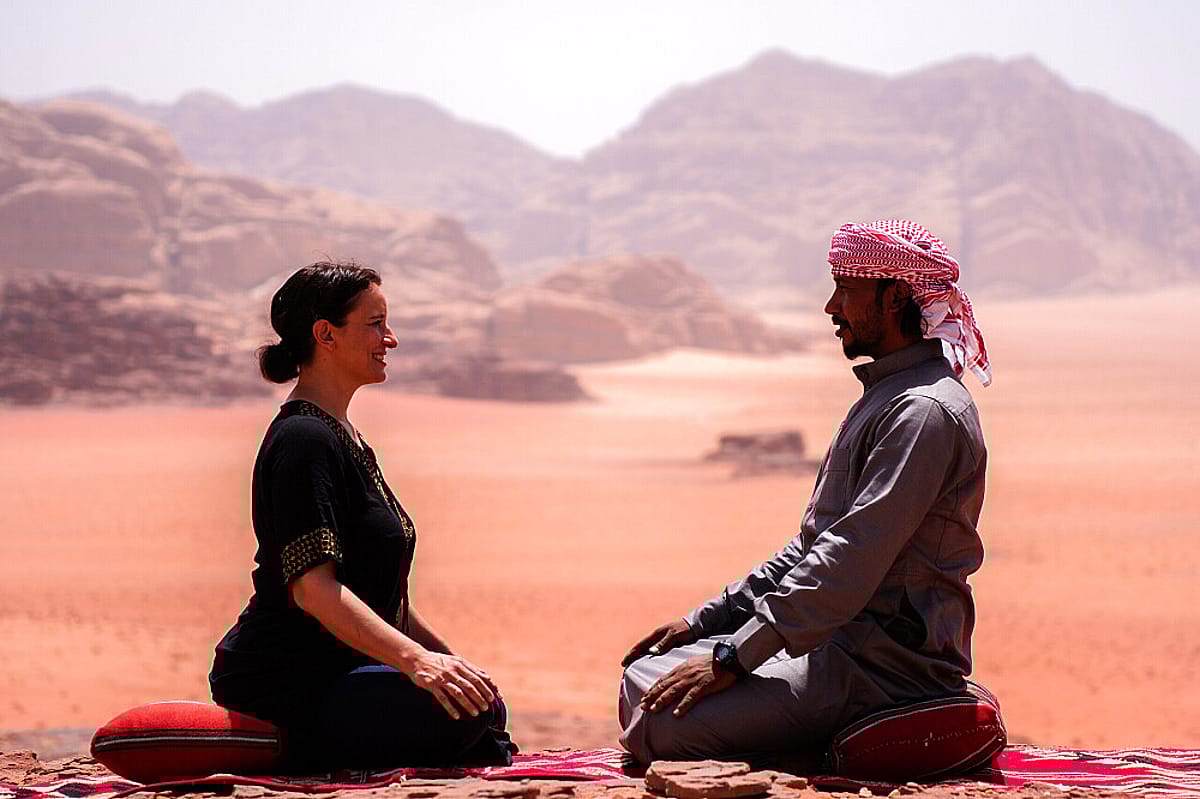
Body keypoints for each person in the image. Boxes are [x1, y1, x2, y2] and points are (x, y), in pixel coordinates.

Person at [618, 220, 993, 764]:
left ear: (894, 297)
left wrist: (733, 657)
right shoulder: (885, 397)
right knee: (644, 676)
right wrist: (706, 622)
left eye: (846, 289)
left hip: (885, 665)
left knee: (661, 723)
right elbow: (812, 547)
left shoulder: (923, 412)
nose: (831, 307)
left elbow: (849, 557)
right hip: (832, 641)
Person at [210, 261, 514, 771]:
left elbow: (383, 597)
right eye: (375, 324)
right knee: (458, 715)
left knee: (481, 704)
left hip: (348, 668)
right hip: (289, 677)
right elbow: (313, 590)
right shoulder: (304, 440)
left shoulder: (343, 435)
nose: (390, 339)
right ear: (325, 334)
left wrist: (450, 662)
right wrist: (417, 662)